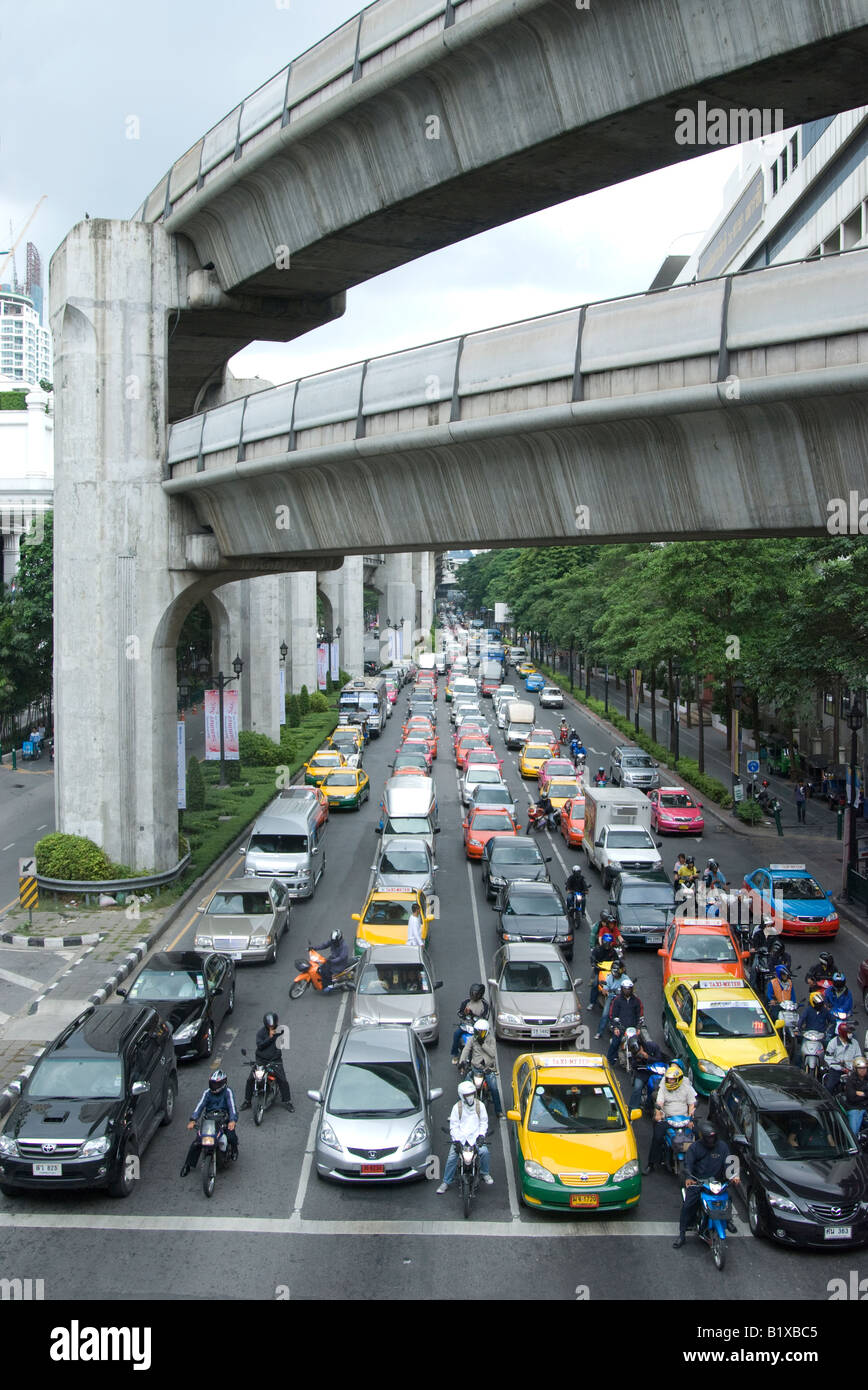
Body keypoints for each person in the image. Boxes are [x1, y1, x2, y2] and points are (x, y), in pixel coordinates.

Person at [673, 1120, 739, 1247]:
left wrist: (733, 1176)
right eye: (708, 1137)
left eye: (713, 1137)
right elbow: (689, 1164)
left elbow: (729, 1162)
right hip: (699, 1182)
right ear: (703, 1137)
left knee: (728, 1199)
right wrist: (688, 1178)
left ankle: (728, 1220)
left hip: (717, 1183)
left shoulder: (723, 1147)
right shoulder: (695, 1148)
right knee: (688, 1206)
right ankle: (682, 1234)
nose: (711, 1140)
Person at [435, 1080, 493, 1194]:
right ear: (462, 1096)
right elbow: (454, 1126)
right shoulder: (457, 1108)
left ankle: (485, 1173)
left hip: (475, 1138)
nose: (470, 1097)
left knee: (485, 1152)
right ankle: (446, 1181)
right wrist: (456, 1141)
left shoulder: (480, 1106)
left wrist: (481, 1135)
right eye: (467, 1095)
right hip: (461, 1140)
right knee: (452, 1157)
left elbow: (484, 1122)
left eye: (472, 1094)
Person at [180, 1069, 238, 1175]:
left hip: (223, 1119)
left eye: (216, 1084)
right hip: (209, 1120)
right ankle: (187, 1165)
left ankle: (234, 1150)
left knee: (231, 1136)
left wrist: (232, 1120)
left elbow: (232, 1107)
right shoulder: (207, 1093)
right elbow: (200, 1106)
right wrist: (193, 1120)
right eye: (212, 1084)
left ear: (223, 1084)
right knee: (197, 1142)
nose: (214, 1086)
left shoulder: (228, 1092)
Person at [645, 1063, 695, 1172]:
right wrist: (658, 1113)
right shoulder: (663, 1087)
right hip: (668, 1118)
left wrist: (691, 1118)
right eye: (668, 1079)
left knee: (700, 1135)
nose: (669, 1082)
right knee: (657, 1137)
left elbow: (692, 1104)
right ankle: (651, 1163)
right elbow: (660, 1102)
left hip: (684, 1119)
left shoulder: (687, 1087)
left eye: (672, 1080)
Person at [241, 1012, 294, 1113]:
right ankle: (247, 1101)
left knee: (282, 1080)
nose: (271, 1027)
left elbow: (280, 1047)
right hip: (261, 1060)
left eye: (273, 1026)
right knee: (250, 1079)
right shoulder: (261, 1033)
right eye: (269, 1026)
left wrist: (274, 1059)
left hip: (274, 1061)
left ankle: (287, 1101)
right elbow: (260, 1046)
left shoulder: (281, 1031)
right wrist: (270, 1037)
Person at [459, 1016, 503, 1118]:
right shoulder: (472, 1039)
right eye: (477, 1032)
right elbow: (466, 1050)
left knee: (494, 1088)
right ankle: (459, 1111)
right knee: (464, 1087)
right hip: (475, 1069)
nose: (478, 1034)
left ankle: (499, 1111)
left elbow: (492, 1053)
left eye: (481, 1032)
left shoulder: (491, 1040)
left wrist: (482, 1044)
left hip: (488, 1069)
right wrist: (462, 1061)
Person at [626, 1031, 668, 1110]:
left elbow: (660, 1058)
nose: (639, 1053)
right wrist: (638, 1061)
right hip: (643, 1073)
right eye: (637, 1052)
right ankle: (632, 1108)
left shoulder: (653, 1046)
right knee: (637, 1088)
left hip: (656, 1071)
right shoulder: (634, 1055)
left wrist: (648, 1057)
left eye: (640, 1050)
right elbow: (633, 1065)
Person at [450, 983, 489, 1064]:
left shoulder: (485, 1004)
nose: (473, 996)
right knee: (456, 1034)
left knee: (486, 1040)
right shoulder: (466, 1002)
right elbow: (459, 1012)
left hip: (479, 1027)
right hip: (466, 1025)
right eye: (472, 994)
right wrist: (464, 1014)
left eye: (475, 994)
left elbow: (485, 1017)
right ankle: (455, 1054)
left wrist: (473, 1015)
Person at [607, 978, 642, 1064]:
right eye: (625, 989)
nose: (627, 991)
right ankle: (609, 1060)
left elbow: (640, 1014)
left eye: (629, 989)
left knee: (639, 1044)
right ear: (622, 989)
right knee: (615, 1043)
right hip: (621, 1027)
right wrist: (615, 1028)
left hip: (632, 1028)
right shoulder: (617, 1000)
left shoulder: (636, 1001)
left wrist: (638, 1027)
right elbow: (612, 1014)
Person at [824, 1022, 861, 1093]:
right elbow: (828, 1058)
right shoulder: (833, 1042)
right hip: (836, 1070)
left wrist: (855, 1066)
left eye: (851, 1032)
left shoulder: (855, 1043)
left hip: (851, 1071)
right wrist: (841, 1068)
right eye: (848, 1032)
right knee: (829, 1087)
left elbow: (858, 1056)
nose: (851, 1034)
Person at [595, 959, 626, 1039]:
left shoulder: (625, 978)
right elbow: (605, 989)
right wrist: (605, 990)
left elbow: (630, 986)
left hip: (621, 998)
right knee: (605, 1014)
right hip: (611, 997)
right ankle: (599, 1032)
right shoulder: (609, 978)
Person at [844, 1057, 868, 1137]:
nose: (862, 1070)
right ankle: (854, 1146)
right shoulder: (850, 1080)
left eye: (864, 1068)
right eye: (860, 1068)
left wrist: (862, 1094)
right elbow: (852, 1097)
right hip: (855, 1108)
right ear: (856, 1069)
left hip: (866, 1107)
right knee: (853, 1133)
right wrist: (865, 1095)